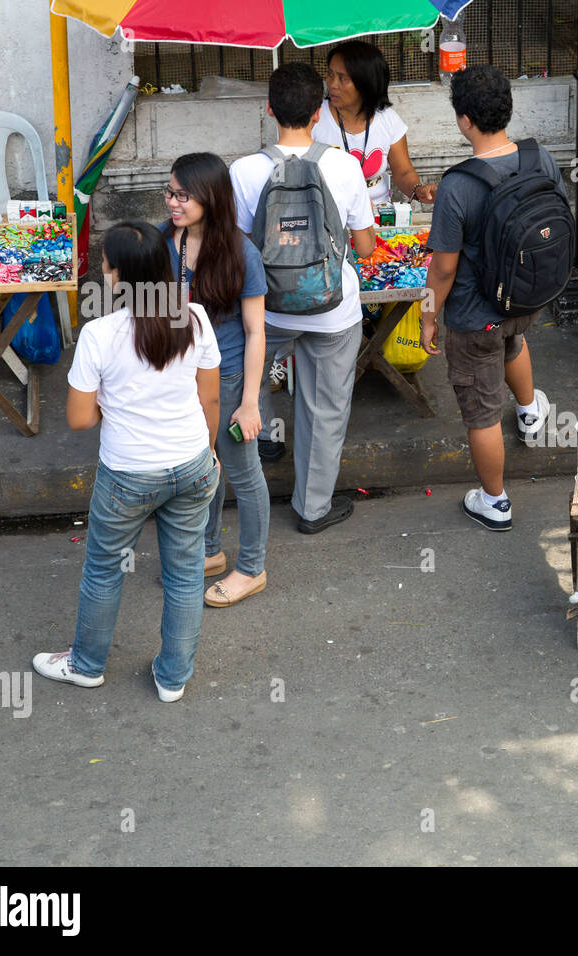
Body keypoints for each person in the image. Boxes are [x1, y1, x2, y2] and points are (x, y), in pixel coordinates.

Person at [32, 222, 222, 702]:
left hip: (128, 475)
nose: (103, 270)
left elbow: (78, 418)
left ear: (117, 277)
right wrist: (210, 452)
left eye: (105, 264)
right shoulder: (195, 318)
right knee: (185, 572)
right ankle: (173, 678)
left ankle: (87, 664)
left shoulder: (100, 334)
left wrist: (110, 403)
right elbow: (210, 399)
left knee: (105, 569)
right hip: (193, 463)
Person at [230, 62, 376, 534]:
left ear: (269, 109)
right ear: (320, 112)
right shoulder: (344, 165)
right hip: (332, 309)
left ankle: (265, 439)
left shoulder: (244, 170)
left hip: (266, 306)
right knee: (324, 407)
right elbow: (367, 245)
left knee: (253, 364)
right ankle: (312, 508)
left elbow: (239, 248)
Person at [420, 65, 559, 532]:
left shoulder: (458, 185)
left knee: (480, 409)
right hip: (526, 299)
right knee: (514, 344)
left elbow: (442, 267)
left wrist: (427, 315)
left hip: (476, 315)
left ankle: (494, 501)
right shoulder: (540, 159)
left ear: (464, 121)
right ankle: (528, 412)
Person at [160, 153, 270, 607]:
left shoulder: (242, 252)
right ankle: (208, 551)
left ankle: (252, 567)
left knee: (243, 473)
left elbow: (256, 331)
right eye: (169, 192)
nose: (173, 202)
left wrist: (249, 402)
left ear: (211, 198)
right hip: (183, 375)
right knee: (200, 466)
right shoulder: (166, 242)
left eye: (183, 195)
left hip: (228, 377)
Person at [313, 40, 438, 212]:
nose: (332, 84)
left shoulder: (388, 120)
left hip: (378, 217)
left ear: (365, 83)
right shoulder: (314, 119)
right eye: (330, 74)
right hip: (329, 216)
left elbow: (403, 172)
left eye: (342, 78)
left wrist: (418, 190)